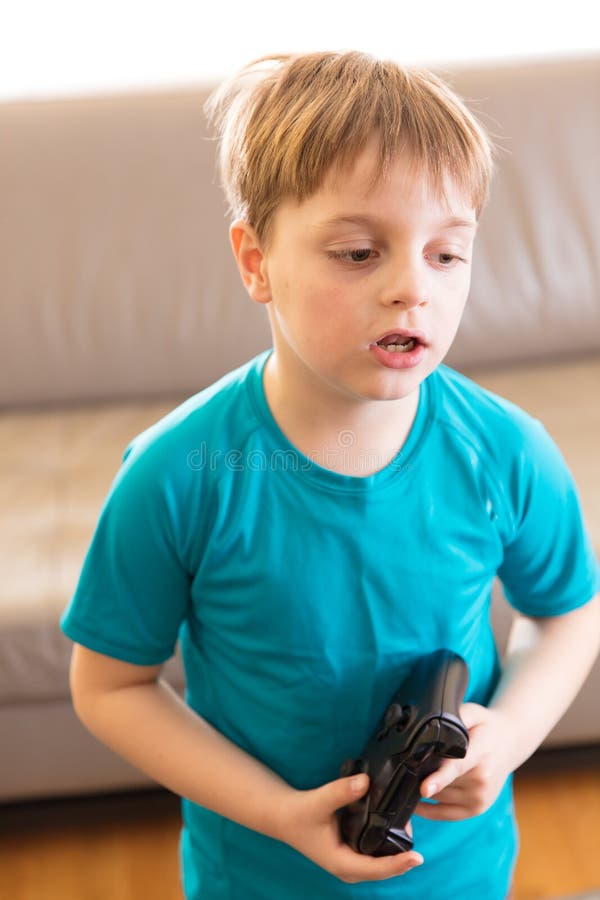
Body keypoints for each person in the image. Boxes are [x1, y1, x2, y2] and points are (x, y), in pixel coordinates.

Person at [61, 51, 599, 899]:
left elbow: (569, 614)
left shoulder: (506, 450)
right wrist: (279, 811)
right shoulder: (180, 473)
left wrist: (510, 739)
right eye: (357, 252)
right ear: (256, 262)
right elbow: (110, 685)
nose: (411, 289)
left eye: (447, 255)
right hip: (256, 877)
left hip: (460, 875)